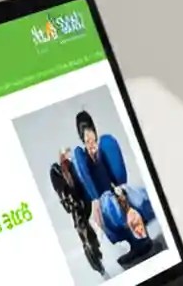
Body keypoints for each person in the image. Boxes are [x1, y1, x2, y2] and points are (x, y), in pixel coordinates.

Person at [71, 110, 158, 264]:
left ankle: (142, 241)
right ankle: (138, 244)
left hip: (114, 195)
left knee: (122, 211)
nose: (90, 143)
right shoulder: (83, 156)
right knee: (116, 214)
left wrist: (105, 197)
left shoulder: (102, 146)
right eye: (86, 139)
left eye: (92, 138)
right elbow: (88, 180)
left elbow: (116, 175)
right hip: (108, 197)